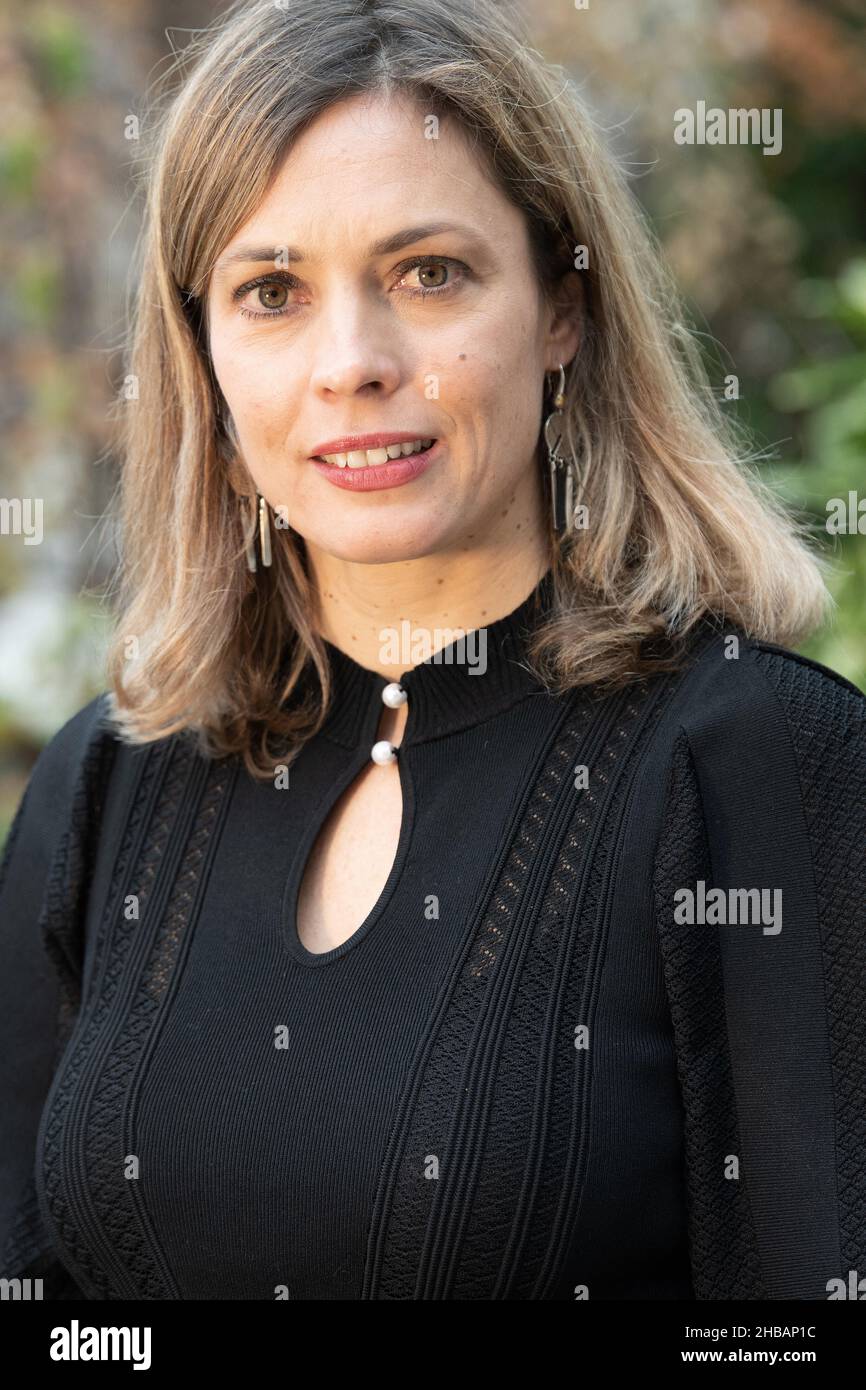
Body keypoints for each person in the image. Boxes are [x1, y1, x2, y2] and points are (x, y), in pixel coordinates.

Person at [1, 0, 864, 1302]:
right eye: (272, 291)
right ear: (205, 356)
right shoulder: (105, 787)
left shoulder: (758, 765)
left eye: (428, 273)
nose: (353, 362)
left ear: (562, 310)